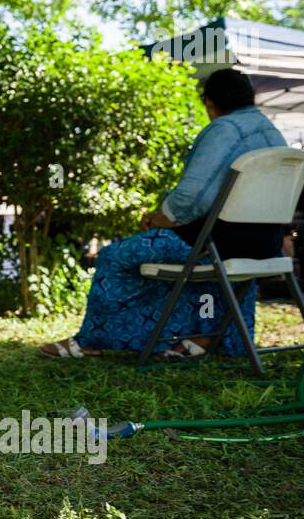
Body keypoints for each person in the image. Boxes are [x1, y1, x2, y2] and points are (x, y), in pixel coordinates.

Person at [41, 68, 287, 360]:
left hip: (216, 245)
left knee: (114, 257)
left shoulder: (224, 129)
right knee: (196, 262)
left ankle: (94, 340)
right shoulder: (273, 134)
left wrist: (158, 218)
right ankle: (201, 339)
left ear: (209, 102)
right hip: (266, 246)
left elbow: (190, 198)